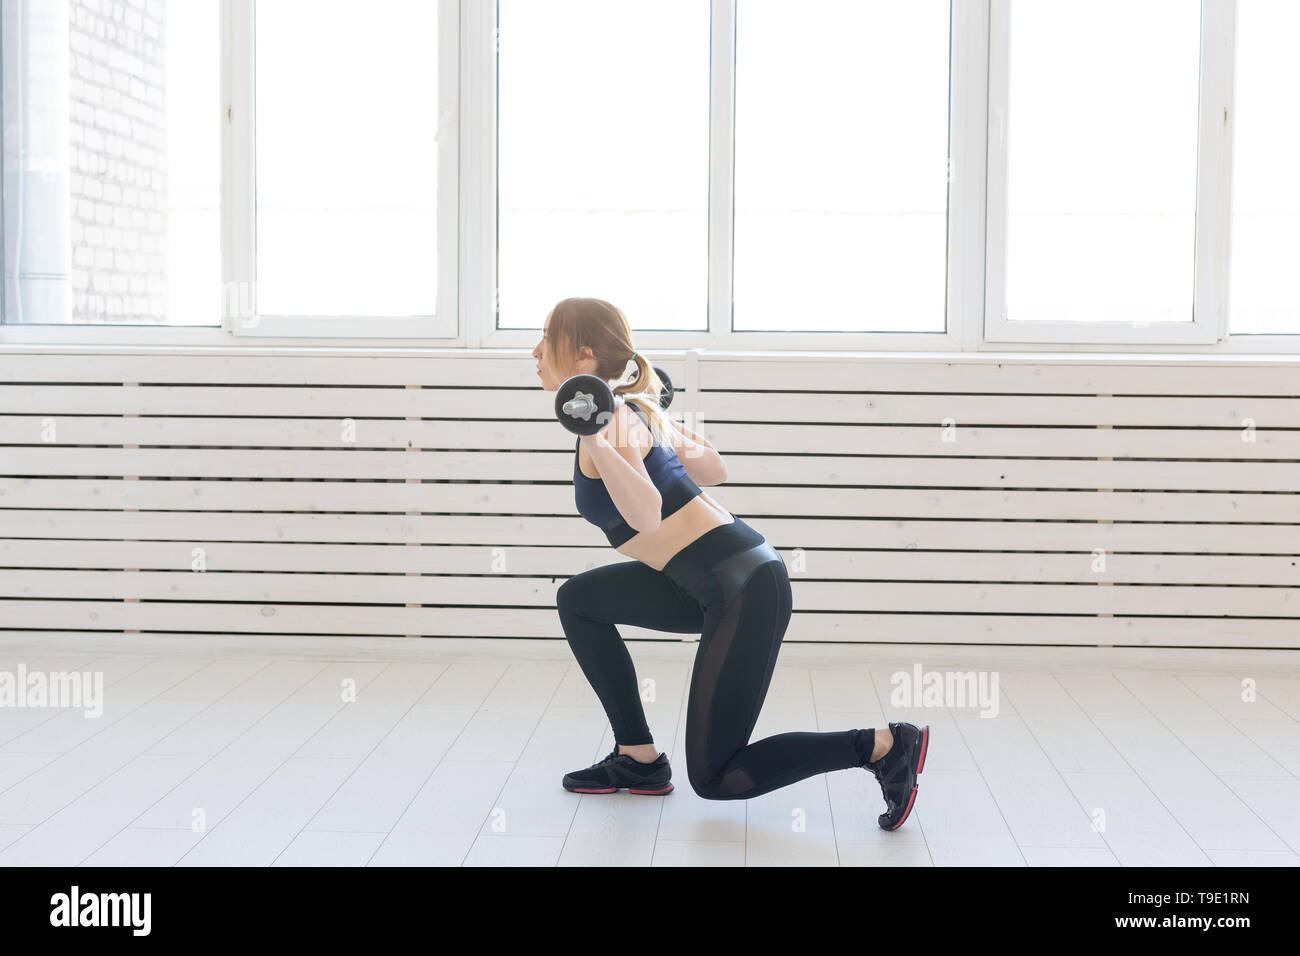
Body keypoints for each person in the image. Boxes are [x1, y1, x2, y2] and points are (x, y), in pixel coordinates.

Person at [534, 297, 929, 830]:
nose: (535, 353)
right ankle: (638, 760)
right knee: (578, 600)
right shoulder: (636, 413)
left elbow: (647, 514)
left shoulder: (613, 426)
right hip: (714, 579)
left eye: (545, 341)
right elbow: (715, 469)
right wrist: (647, 420)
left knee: (717, 777)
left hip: (741, 589)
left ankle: (882, 747)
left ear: (582, 356)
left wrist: (598, 437)